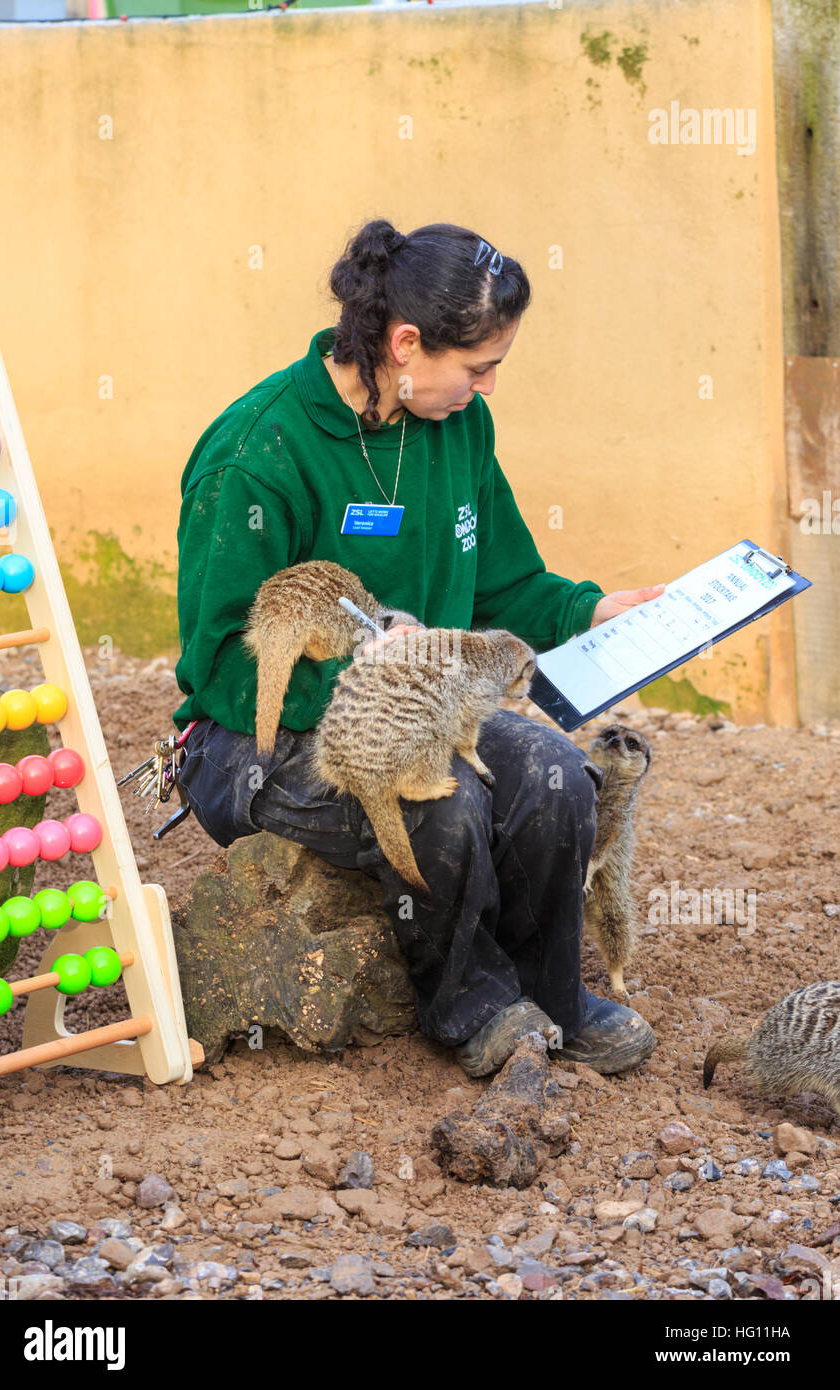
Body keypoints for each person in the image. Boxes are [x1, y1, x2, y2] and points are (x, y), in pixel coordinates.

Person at [173, 218, 662, 1078]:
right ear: (405, 343)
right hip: (253, 739)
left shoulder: (457, 427)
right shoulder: (256, 454)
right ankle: (467, 1003)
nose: (490, 387)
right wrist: (371, 693)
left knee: (556, 776)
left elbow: (507, 587)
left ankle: (555, 996)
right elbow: (221, 664)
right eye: (479, 367)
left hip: (424, 713)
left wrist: (594, 611)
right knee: (443, 805)